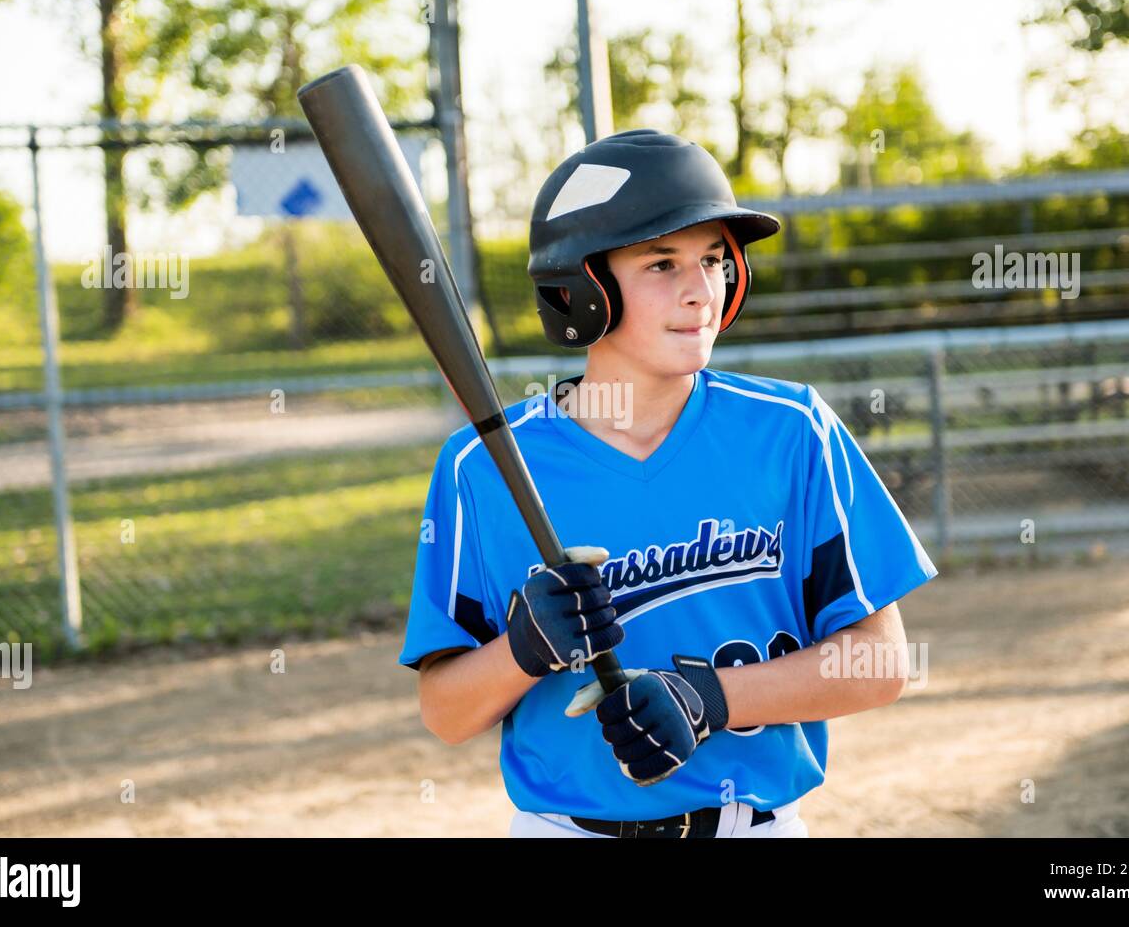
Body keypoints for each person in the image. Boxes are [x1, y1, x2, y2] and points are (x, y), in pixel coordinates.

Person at [399, 129, 938, 838]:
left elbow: (880, 663)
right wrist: (523, 650)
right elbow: (446, 713)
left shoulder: (791, 430)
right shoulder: (485, 468)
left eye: (714, 261)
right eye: (661, 263)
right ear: (580, 289)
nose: (700, 291)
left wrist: (705, 698)